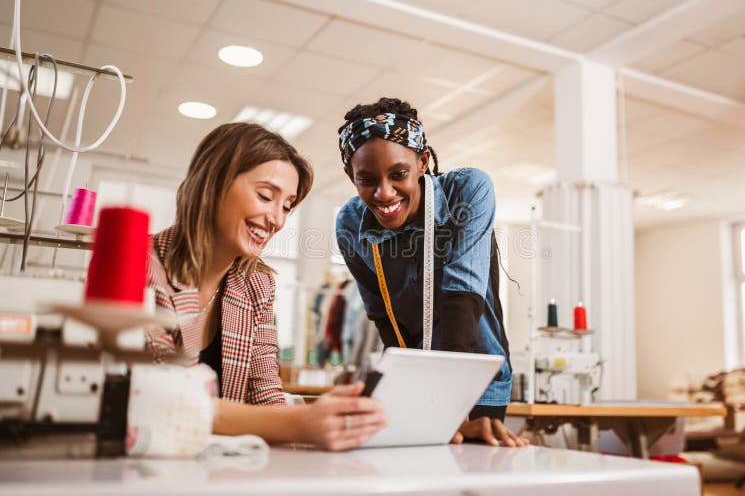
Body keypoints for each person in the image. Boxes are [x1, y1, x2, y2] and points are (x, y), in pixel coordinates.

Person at [145, 122, 386, 451]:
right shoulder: (140, 264)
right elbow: (163, 398)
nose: (277, 219)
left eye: (287, 206)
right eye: (265, 196)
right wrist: (301, 423)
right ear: (212, 183)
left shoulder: (257, 285)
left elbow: (266, 392)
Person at [335, 98, 528, 447]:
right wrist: (410, 395)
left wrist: (449, 408)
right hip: (414, 379)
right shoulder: (350, 224)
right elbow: (384, 318)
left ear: (423, 162)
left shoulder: (467, 192)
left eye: (399, 174)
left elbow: (462, 302)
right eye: (366, 179)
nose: (384, 193)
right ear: (351, 175)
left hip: (474, 374)